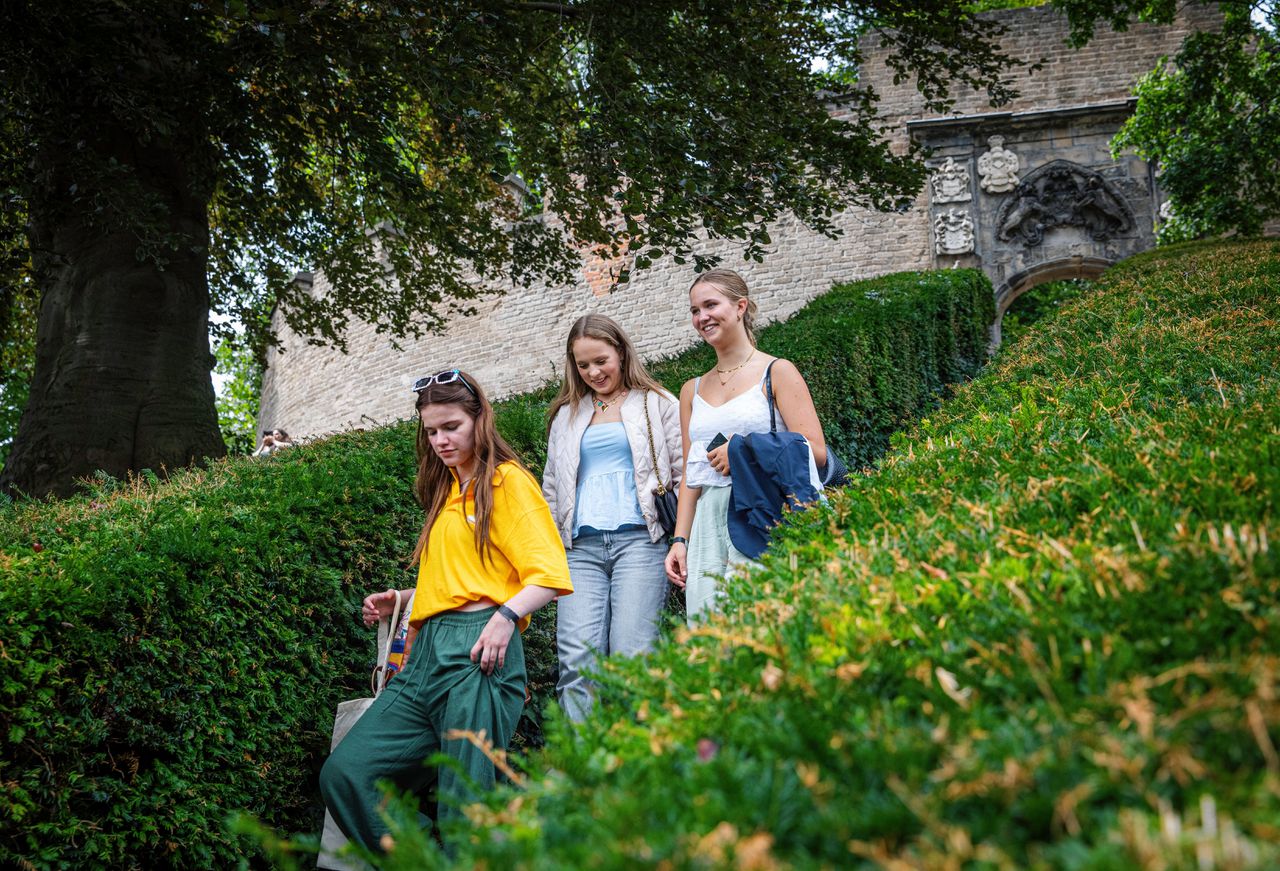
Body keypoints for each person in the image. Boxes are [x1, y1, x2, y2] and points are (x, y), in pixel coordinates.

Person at [320, 369, 572, 852]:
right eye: (432, 430)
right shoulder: (447, 491)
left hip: (478, 649)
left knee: (464, 806)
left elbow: (549, 574)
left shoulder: (506, 481)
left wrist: (504, 619)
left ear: (479, 419)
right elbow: (460, 577)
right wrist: (403, 599)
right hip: (425, 656)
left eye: (452, 426)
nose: (440, 440)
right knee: (347, 774)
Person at [663, 269, 827, 622]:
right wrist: (680, 541)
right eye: (695, 310)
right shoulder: (691, 389)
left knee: (761, 623)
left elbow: (815, 450)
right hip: (708, 521)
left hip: (761, 510)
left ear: (740, 307)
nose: (702, 317)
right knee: (707, 630)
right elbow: (692, 474)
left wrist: (743, 450)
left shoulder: (777, 372)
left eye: (711, 305)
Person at [542, 314, 682, 722]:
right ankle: (581, 757)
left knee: (632, 658)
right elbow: (552, 487)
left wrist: (681, 539)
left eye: (601, 360)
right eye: (583, 365)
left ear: (620, 352)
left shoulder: (658, 402)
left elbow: (681, 472)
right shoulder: (566, 414)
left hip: (641, 542)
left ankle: (635, 752)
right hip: (579, 551)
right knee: (576, 662)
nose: (593, 372)